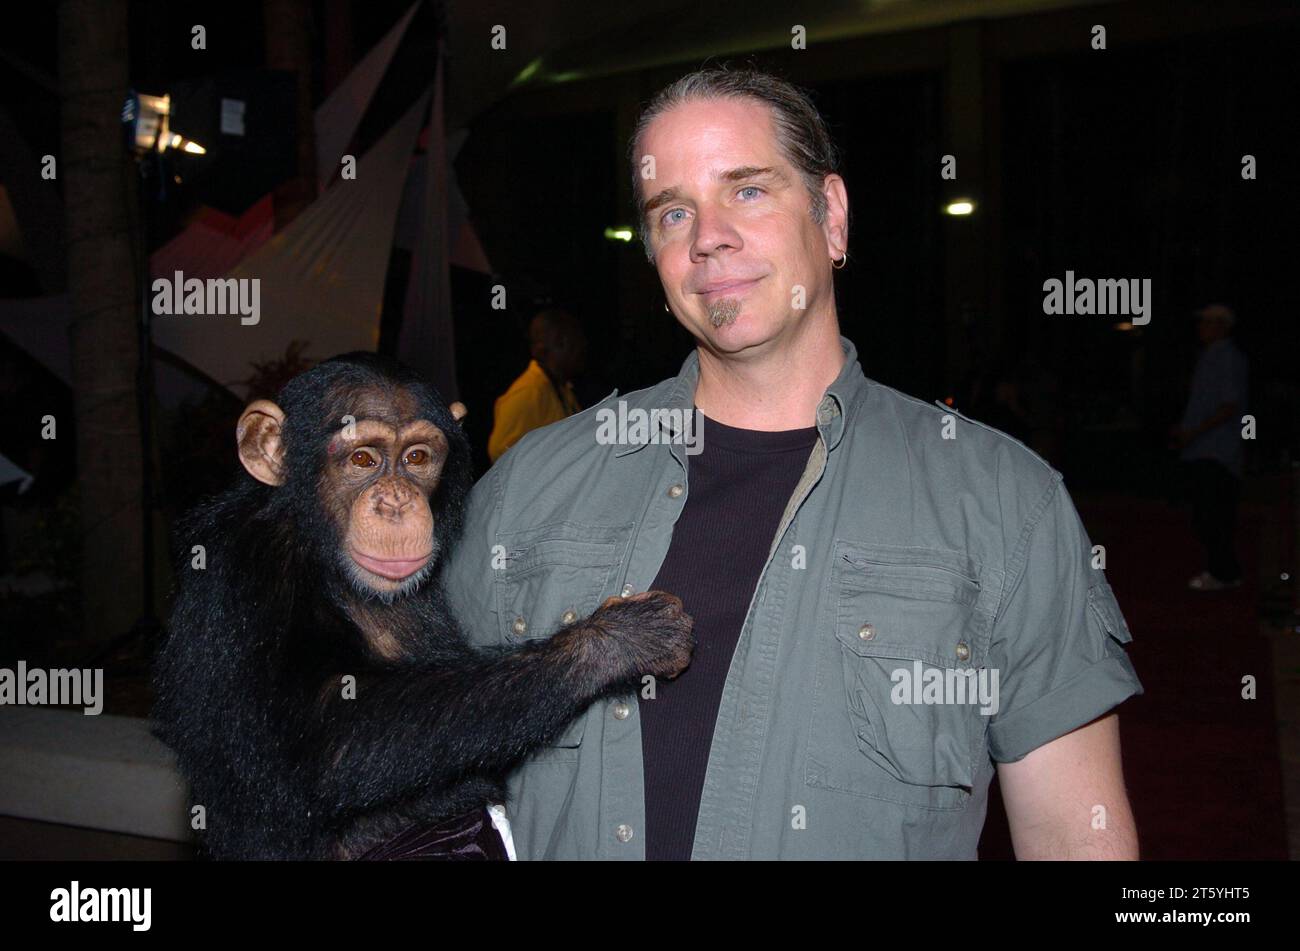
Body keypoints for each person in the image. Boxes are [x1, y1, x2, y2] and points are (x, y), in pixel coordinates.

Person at [444, 67, 1143, 860]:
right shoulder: (530, 489)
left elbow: (1073, 837)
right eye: (674, 210)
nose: (707, 235)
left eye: (747, 191)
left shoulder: (1003, 503)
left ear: (832, 217)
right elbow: (398, 754)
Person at [1171, 304, 1248, 590]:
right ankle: (1224, 570)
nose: (1201, 328)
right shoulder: (1213, 356)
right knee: (1210, 513)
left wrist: (1194, 432)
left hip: (1215, 450)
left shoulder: (1224, 357)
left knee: (1212, 514)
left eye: (1207, 323)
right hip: (1207, 447)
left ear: (1221, 326)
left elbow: (1229, 405)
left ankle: (1223, 572)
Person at [486, 308, 586, 463]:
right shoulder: (529, 391)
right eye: (576, 344)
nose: (581, 351)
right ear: (561, 342)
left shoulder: (558, 387)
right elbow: (500, 453)